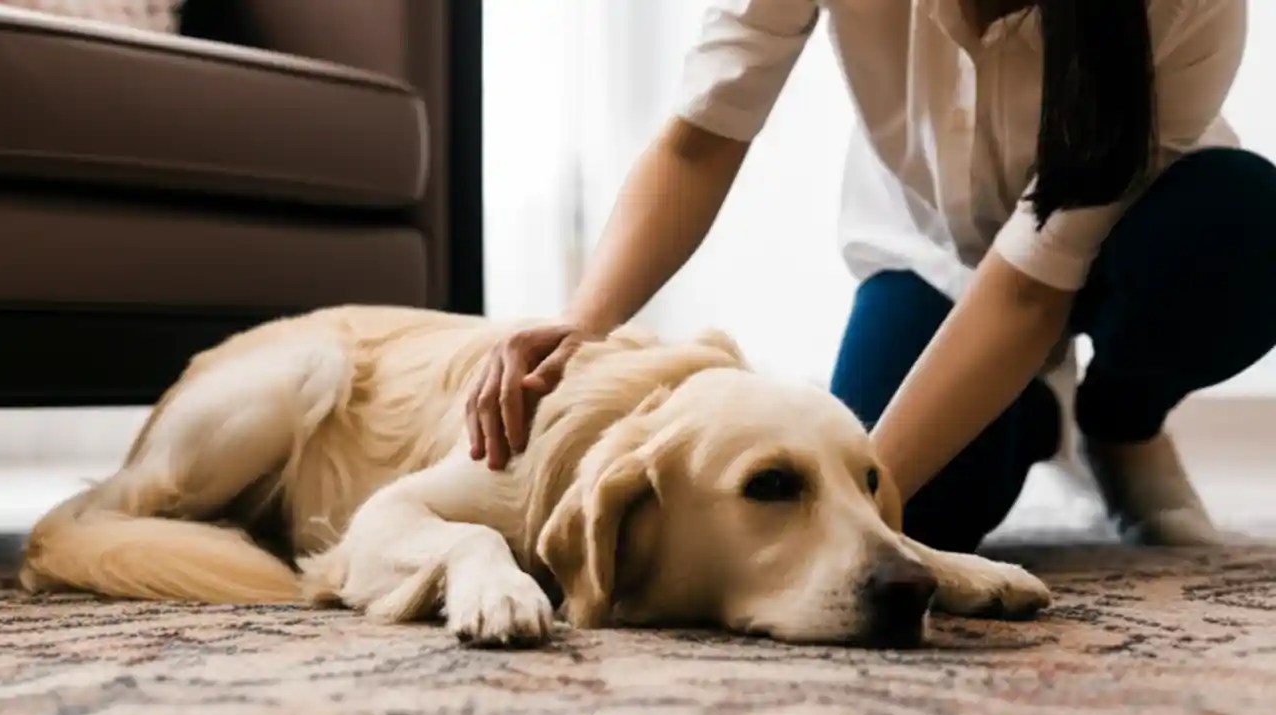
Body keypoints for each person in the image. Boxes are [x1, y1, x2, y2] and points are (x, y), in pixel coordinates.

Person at [468, 0, 1276, 553]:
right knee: (920, 509)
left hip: (1140, 231)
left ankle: (1121, 422)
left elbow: (1032, 287)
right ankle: (1038, 417)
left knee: (1247, 230)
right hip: (933, 252)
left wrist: (849, 517)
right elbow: (701, 138)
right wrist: (585, 319)